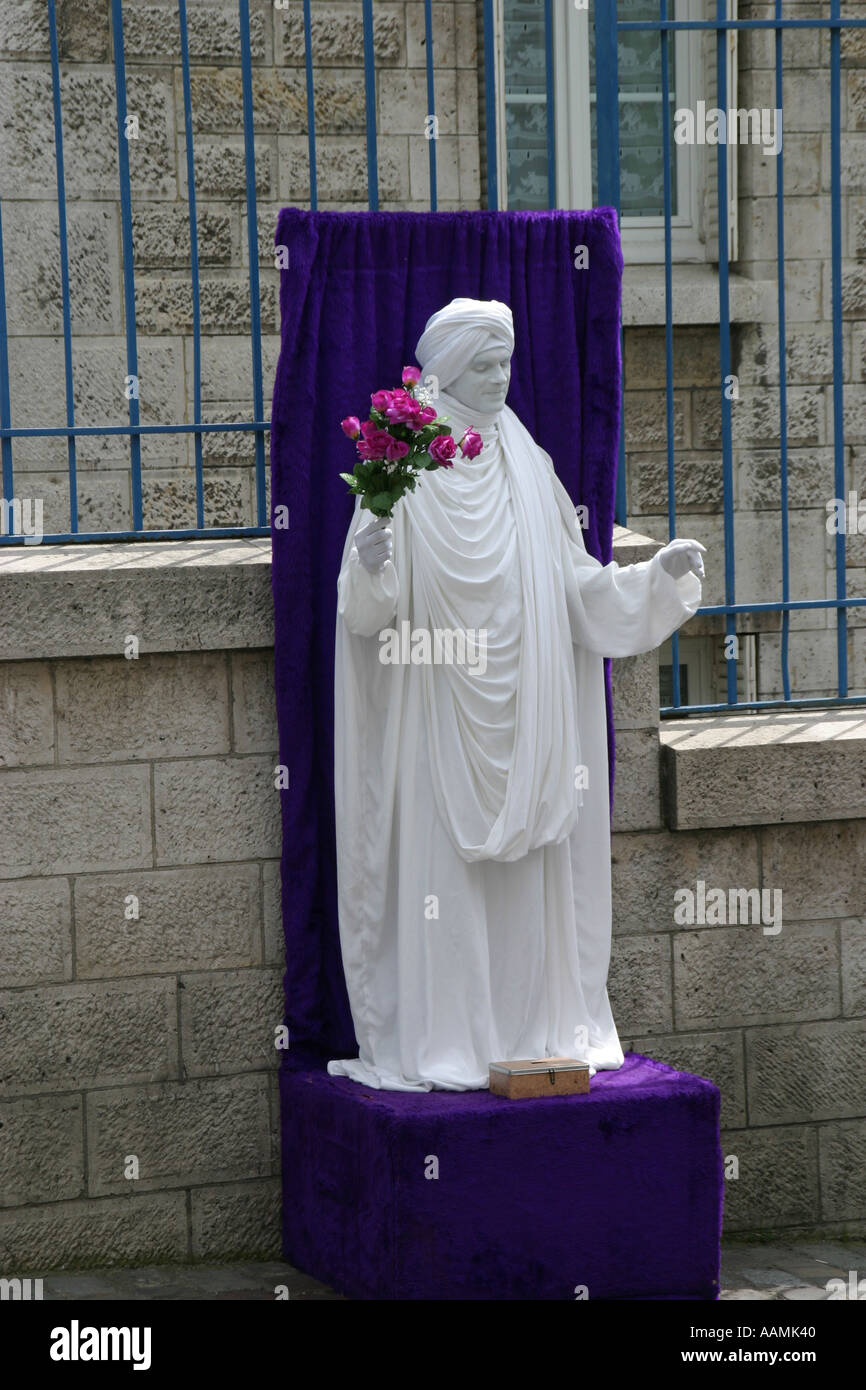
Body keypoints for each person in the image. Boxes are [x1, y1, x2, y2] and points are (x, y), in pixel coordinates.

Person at [328, 298, 704, 1091]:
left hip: (530, 719)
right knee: (447, 893)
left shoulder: (527, 464)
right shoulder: (402, 464)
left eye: (506, 364)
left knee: (527, 883)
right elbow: (365, 614)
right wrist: (370, 557)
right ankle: (450, 1043)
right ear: (446, 373)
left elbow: (573, 588)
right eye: (484, 366)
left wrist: (649, 584)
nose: (500, 379)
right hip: (437, 714)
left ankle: (531, 1033)